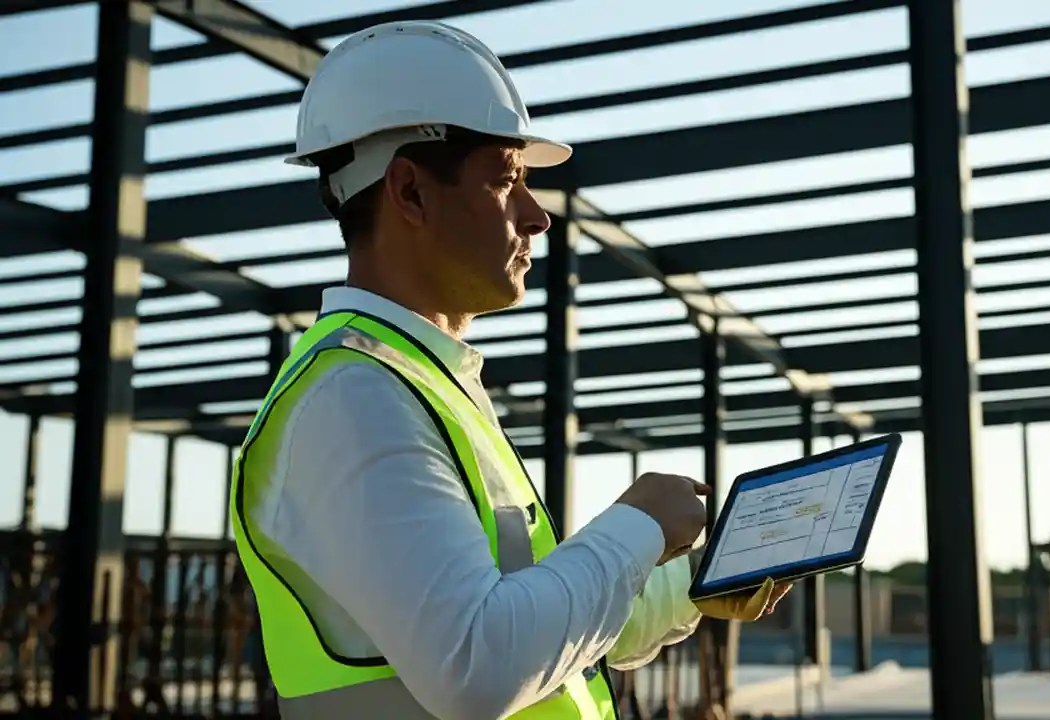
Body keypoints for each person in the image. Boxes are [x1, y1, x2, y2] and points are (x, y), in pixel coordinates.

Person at [228, 20, 789, 720]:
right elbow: (478, 666)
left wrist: (699, 577)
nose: (536, 215)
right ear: (410, 193)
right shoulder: (351, 396)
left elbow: (547, 629)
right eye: (506, 180)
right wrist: (639, 523)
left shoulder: (418, 384)